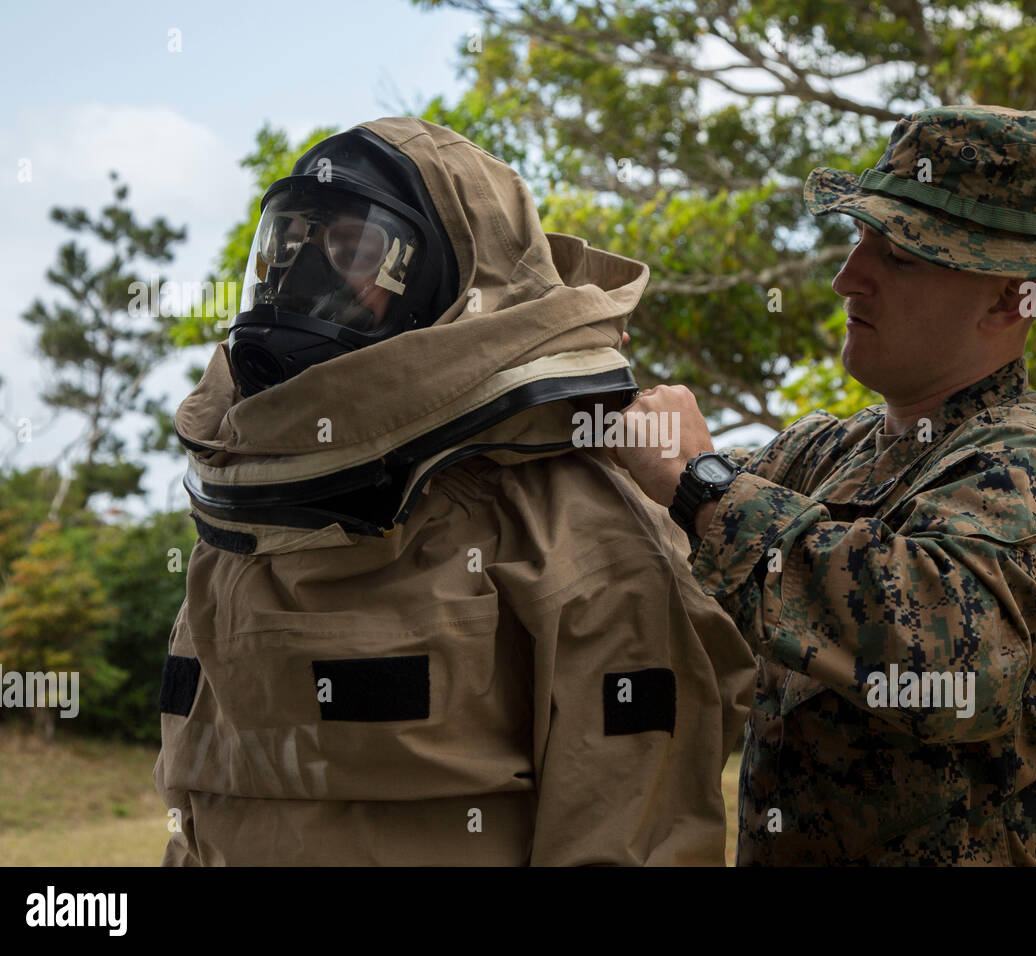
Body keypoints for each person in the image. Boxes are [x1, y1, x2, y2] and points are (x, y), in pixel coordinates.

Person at [153, 117, 755, 866]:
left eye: (349, 248)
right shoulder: (247, 519)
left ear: (452, 279)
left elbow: (630, 836)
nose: (305, 276)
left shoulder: (566, 520)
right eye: (293, 242)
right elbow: (203, 812)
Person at [611, 105, 1036, 865]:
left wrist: (700, 480)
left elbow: (951, 663)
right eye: (860, 241)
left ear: (1012, 298)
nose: (848, 277)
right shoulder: (826, 451)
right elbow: (666, 529)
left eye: (902, 256)